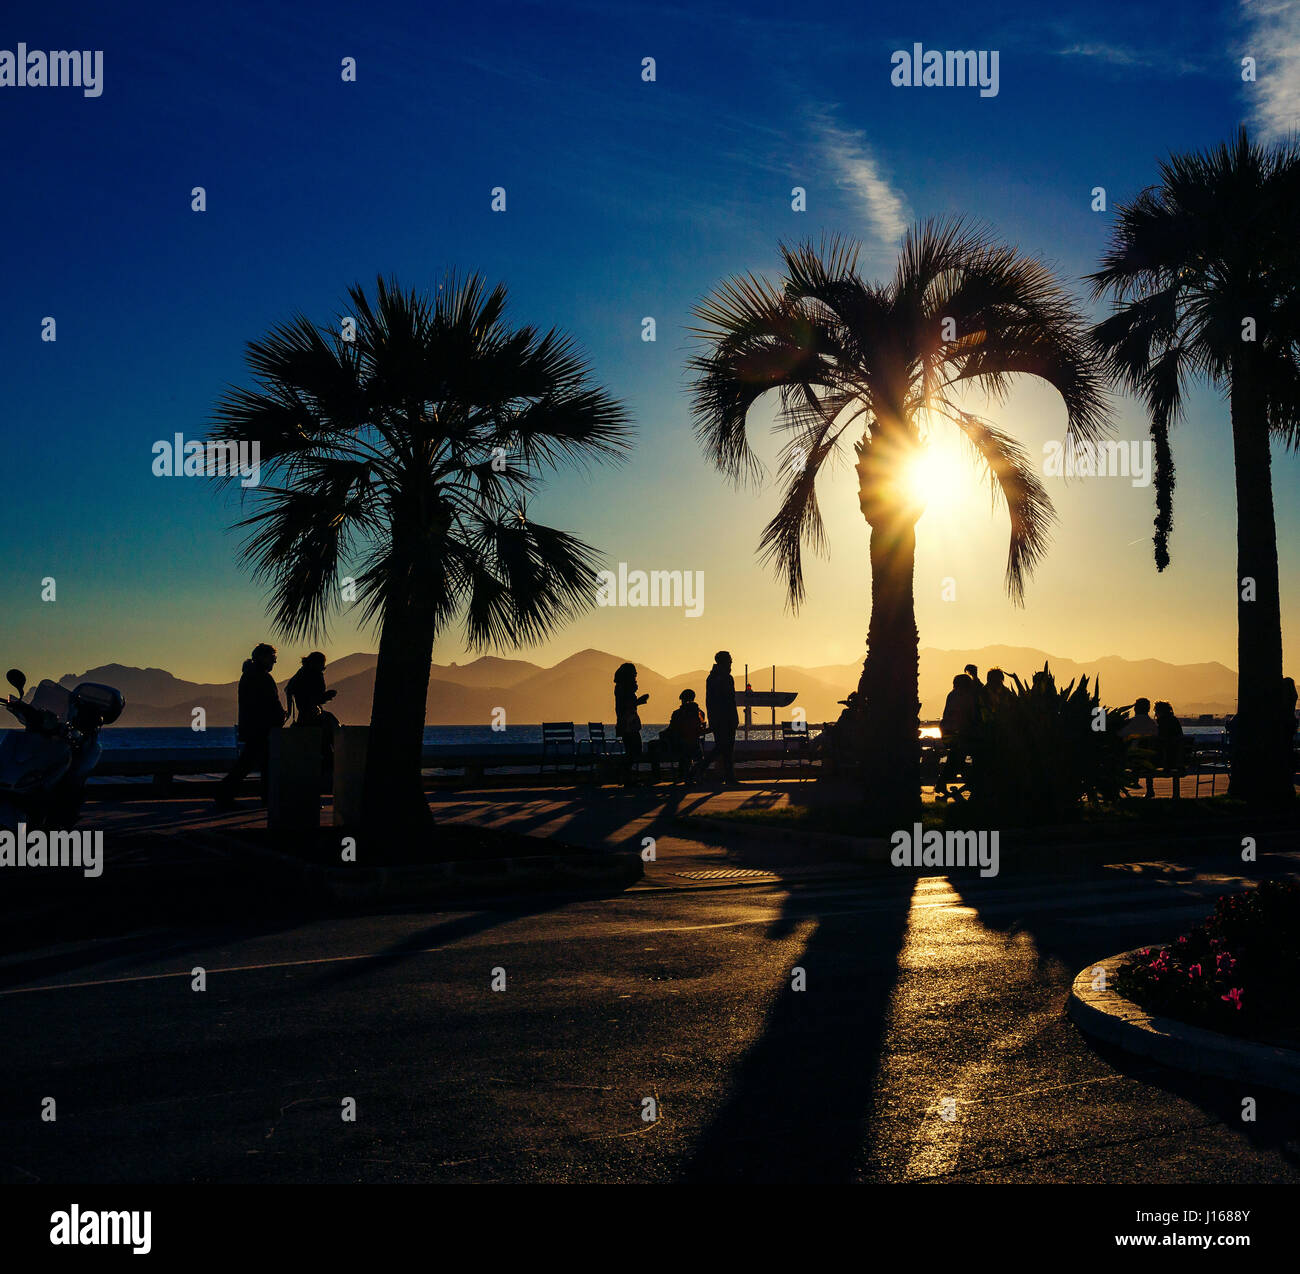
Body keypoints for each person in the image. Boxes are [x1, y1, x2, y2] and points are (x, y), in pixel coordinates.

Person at [214, 643, 286, 807]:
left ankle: (263, 797)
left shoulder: (249, 675)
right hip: (262, 728)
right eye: (273, 658)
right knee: (254, 763)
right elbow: (269, 702)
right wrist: (280, 716)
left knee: (252, 762)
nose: (274, 662)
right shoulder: (261, 676)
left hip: (253, 726)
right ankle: (227, 794)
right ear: (263, 657)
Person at [698, 650, 739, 785]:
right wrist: (733, 717)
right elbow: (728, 701)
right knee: (723, 748)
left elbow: (710, 702)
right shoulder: (723, 678)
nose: (731, 662)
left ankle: (729, 777)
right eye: (729, 660)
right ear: (725, 662)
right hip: (725, 719)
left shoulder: (713, 678)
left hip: (720, 718)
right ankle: (698, 770)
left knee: (725, 749)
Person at [937, 673, 977, 798]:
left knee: (955, 758)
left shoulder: (953, 694)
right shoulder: (963, 696)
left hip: (950, 732)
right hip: (956, 733)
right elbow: (965, 716)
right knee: (958, 757)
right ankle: (970, 783)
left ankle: (942, 783)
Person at [613, 663, 648, 786]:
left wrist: (638, 702)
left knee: (632, 750)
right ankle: (624, 774)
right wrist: (639, 701)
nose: (636, 675)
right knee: (634, 750)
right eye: (634, 673)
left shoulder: (621, 688)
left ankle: (626, 776)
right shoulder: (624, 688)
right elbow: (627, 706)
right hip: (628, 723)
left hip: (627, 722)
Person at [1119, 697, 1160, 797]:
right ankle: (1150, 789)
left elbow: (1120, 734)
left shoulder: (1131, 722)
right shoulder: (1153, 724)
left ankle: (1122, 788)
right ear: (1148, 709)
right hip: (1151, 760)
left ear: (1135, 709)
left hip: (1133, 758)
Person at [665, 689, 707, 783]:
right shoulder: (700, 713)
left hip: (681, 746)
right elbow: (700, 730)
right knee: (696, 755)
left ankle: (682, 774)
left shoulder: (677, 714)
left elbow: (672, 729)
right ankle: (691, 774)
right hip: (696, 746)